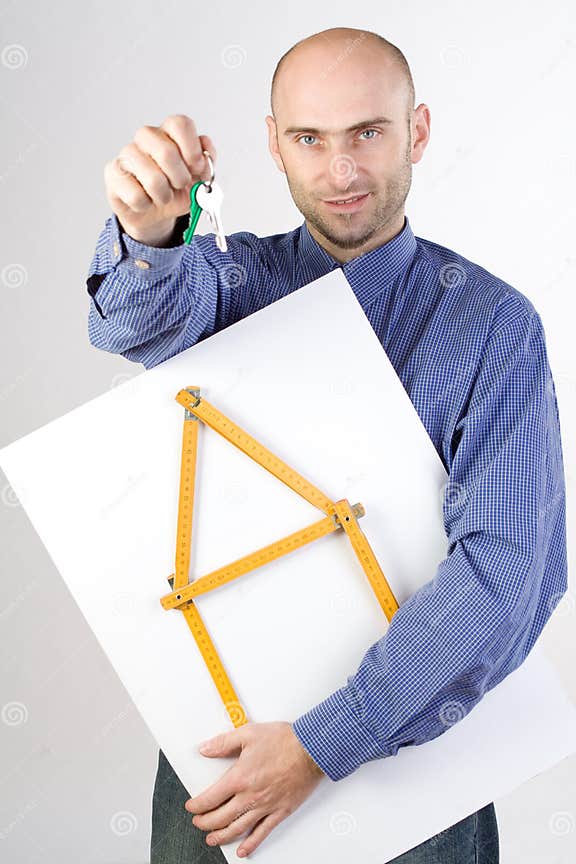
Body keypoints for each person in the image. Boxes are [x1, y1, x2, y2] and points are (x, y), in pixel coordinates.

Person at [86, 26, 567, 864]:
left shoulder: (493, 325)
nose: (341, 173)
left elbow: (505, 572)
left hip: (416, 784)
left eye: (368, 135)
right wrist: (149, 233)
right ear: (273, 144)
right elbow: (137, 320)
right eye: (310, 138)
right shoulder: (227, 280)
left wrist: (321, 743)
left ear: (416, 131)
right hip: (220, 769)